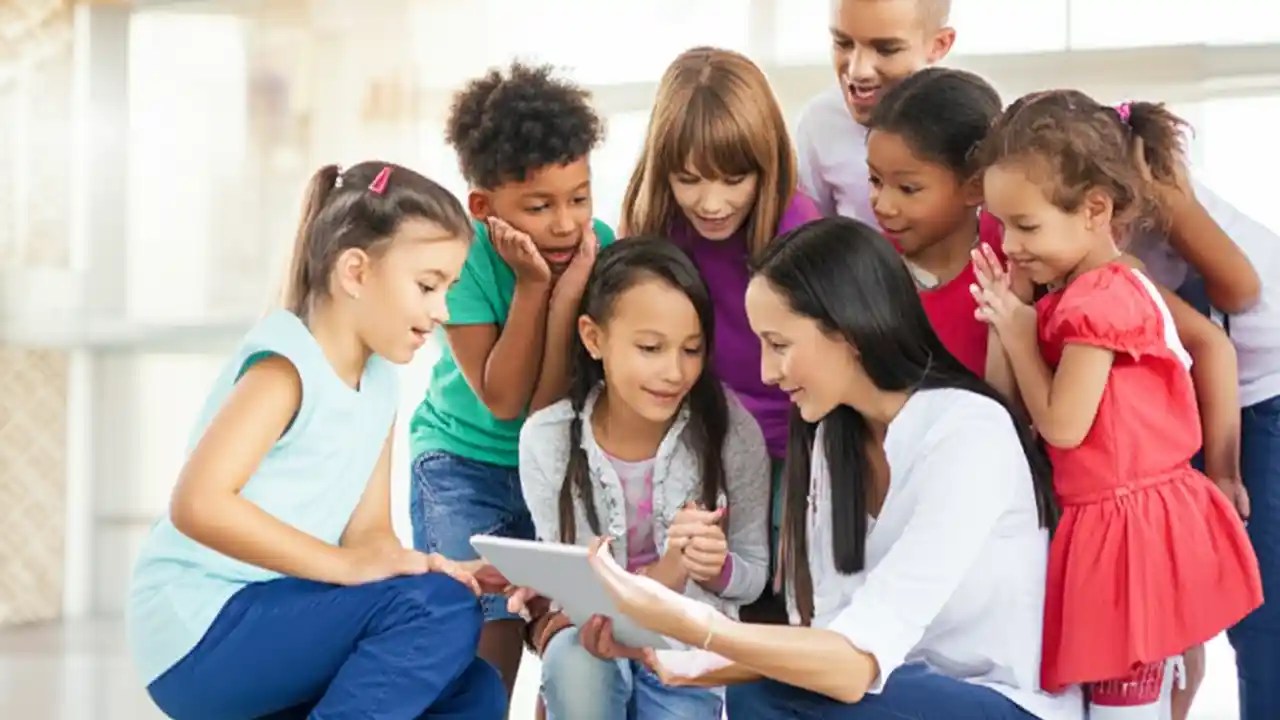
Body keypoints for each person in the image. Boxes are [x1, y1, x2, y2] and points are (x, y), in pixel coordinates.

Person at [563, 217, 1083, 719]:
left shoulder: (968, 432)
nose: (767, 372)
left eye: (780, 344)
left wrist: (699, 625)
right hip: (893, 692)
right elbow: (830, 638)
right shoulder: (834, 441)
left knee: (782, 699)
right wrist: (676, 653)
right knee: (760, 697)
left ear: (848, 330)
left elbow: (855, 664)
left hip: (994, 703)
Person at [127, 162, 507, 719]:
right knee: (439, 612)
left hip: (281, 616)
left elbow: (369, 536)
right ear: (355, 272)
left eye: (448, 289)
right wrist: (345, 569)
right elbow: (197, 504)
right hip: (199, 630)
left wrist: (426, 566)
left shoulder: (380, 382)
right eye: (427, 286)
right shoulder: (284, 369)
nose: (441, 312)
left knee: (475, 687)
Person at [973, 90, 1263, 719]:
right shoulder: (1075, 292)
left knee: (1123, 705)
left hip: (1130, 532)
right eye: (1002, 228)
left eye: (1027, 226)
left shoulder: (1099, 302)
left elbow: (1062, 426)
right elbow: (1005, 406)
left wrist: (1020, 333)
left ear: (1094, 209)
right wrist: (1013, 314)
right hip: (1108, 523)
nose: (1012, 243)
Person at [407, 60, 616, 699]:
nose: (564, 223)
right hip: (465, 467)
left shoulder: (597, 248)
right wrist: (535, 287)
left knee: (571, 640)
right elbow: (503, 402)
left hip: (554, 469)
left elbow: (550, 406)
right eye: (539, 205)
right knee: (485, 655)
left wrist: (574, 287)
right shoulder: (463, 258)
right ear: (483, 205)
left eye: (579, 198)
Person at [518, 238, 770, 719]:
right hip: (593, 639)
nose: (674, 372)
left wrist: (713, 567)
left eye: (692, 349)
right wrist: (668, 570)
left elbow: (753, 574)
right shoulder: (546, 440)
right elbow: (576, 590)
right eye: (651, 348)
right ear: (594, 338)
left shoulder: (731, 433)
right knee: (575, 660)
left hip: (687, 647)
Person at [620, 46, 822, 622]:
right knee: (692, 590)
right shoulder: (652, 227)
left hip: (791, 443)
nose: (712, 203)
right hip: (698, 441)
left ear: (768, 165)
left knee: (781, 594)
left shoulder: (796, 227)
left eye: (735, 179)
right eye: (689, 180)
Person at [1125, 125, 1280, 720]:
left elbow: (1237, 296)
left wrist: (1222, 470)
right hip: (1201, 396)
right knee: (1180, 616)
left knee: (1261, 613)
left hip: (1261, 392)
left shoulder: (1158, 197)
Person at [864, 66, 1007, 377]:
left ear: (974, 187)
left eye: (908, 189)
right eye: (875, 180)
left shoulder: (1012, 257)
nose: (883, 205)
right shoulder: (866, 268)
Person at [795, 0, 956, 222]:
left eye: (886, 49)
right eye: (843, 43)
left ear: (939, 45)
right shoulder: (819, 123)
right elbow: (812, 235)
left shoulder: (971, 122)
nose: (858, 71)